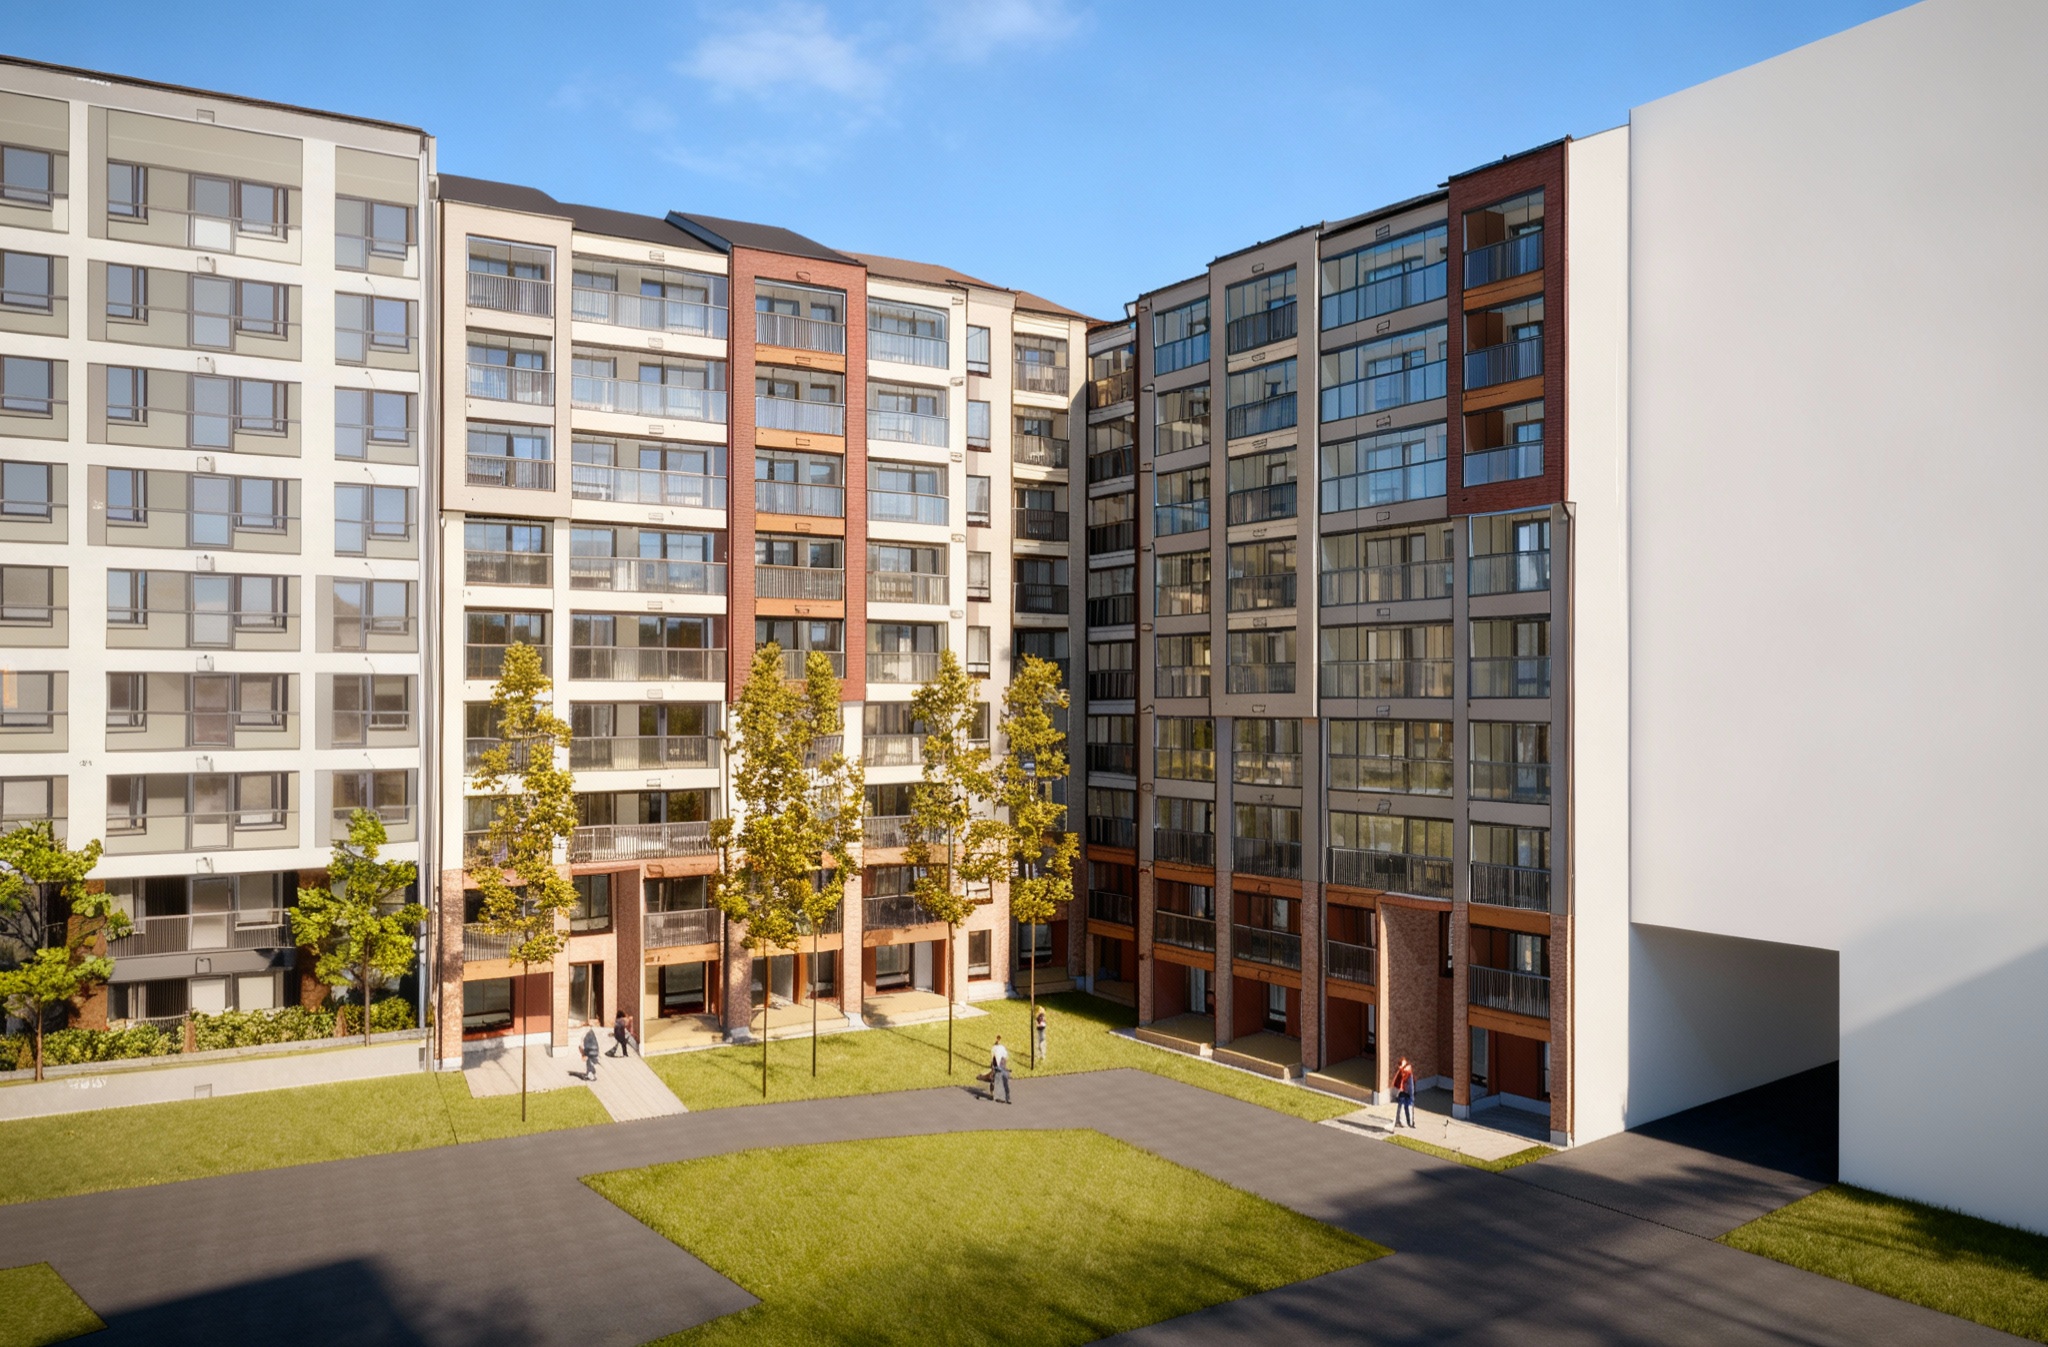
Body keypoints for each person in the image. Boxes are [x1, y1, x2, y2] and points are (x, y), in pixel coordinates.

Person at [1392, 1055, 1416, 1128]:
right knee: (1402, 1106)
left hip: (1407, 1092)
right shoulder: (1403, 1071)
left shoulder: (1407, 1072)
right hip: (1403, 1092)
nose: (1399, 1067)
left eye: (1400, 1065)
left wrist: (1411, 1094)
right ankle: (1401, 1121)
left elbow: (1410, 1085)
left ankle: (1409, 1122)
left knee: (1407, 1107)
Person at [989, 1034, 1012, 1104]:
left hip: (1000, 1067)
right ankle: (1004, 1097)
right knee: (1002, 1082)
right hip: (1000, 1067)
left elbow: (994, 1060)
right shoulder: (999, 1048)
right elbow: (1004, 1058)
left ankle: (999, 1096)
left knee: (998, 1081)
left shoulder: (996, 1048)